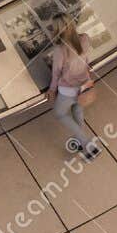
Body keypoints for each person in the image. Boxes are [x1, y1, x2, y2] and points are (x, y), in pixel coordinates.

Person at [45, 15, 101, 159]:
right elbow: (87, 59)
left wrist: (51, 90)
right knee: (77, 109)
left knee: (60, 114)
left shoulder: (60, 49)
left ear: (57, 29)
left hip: (68, 90)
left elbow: (56, 73)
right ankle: (83, 146)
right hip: (85, 85)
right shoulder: (85, 38)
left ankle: (88, 144)